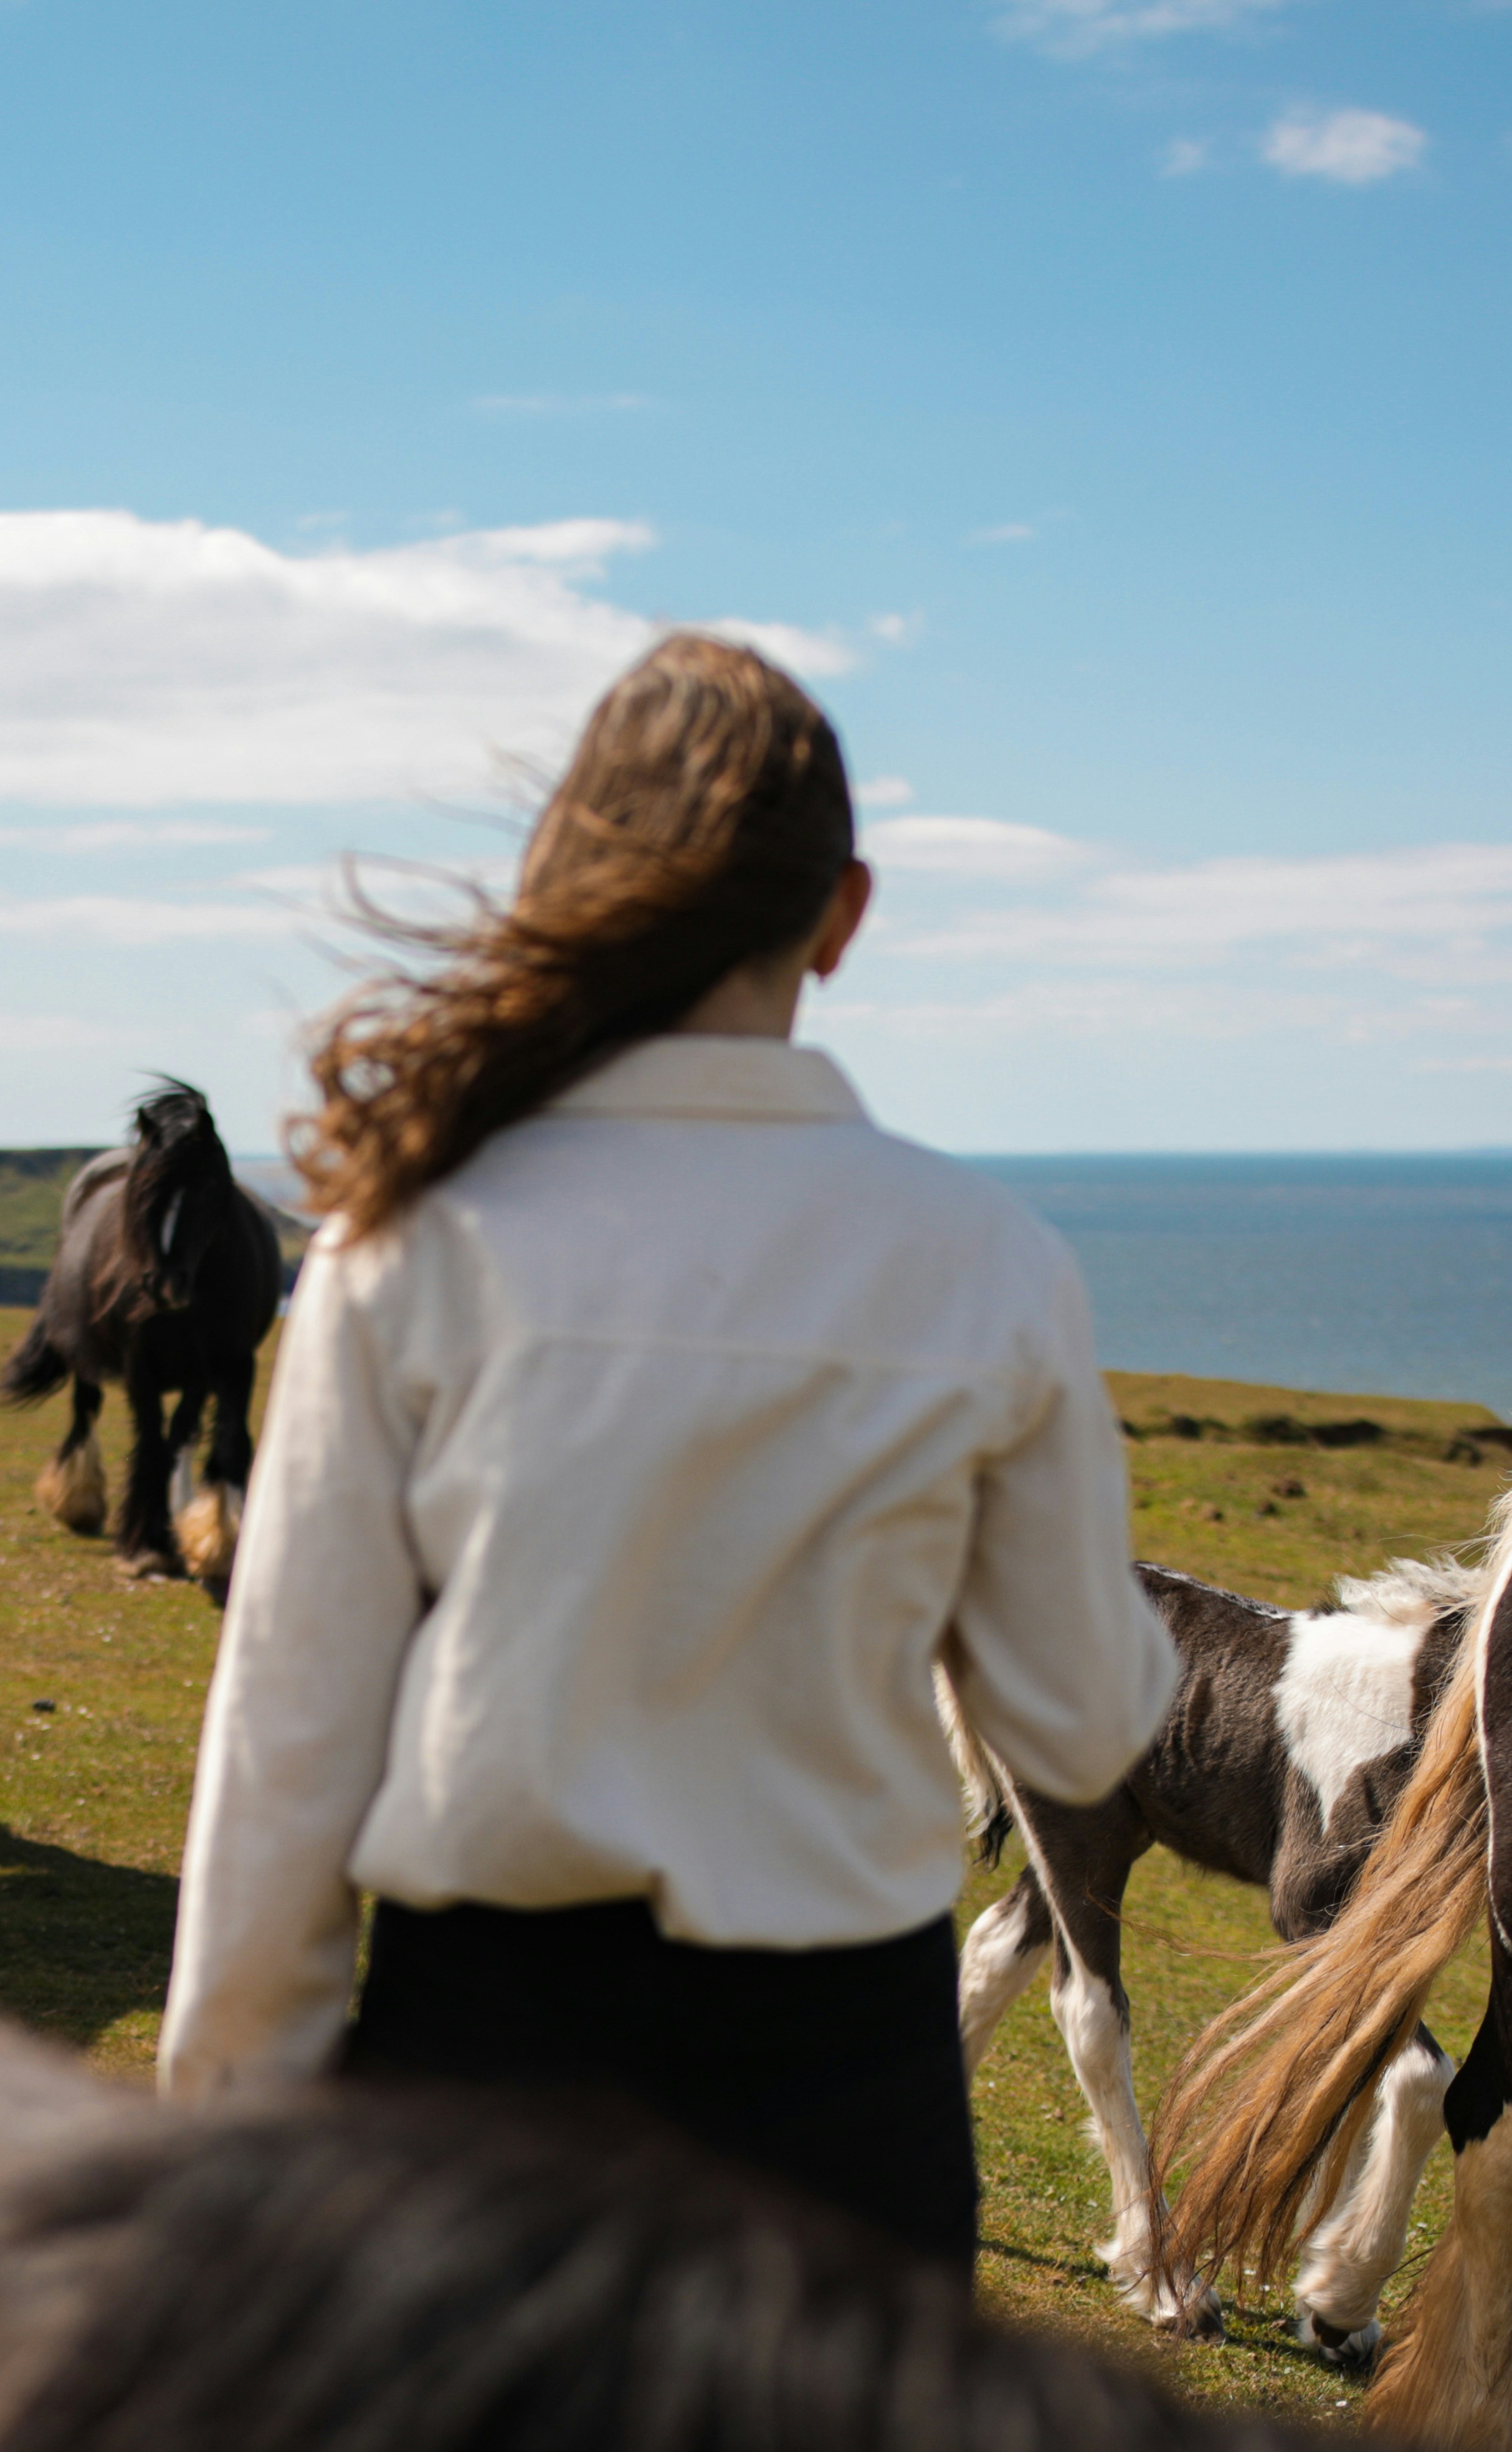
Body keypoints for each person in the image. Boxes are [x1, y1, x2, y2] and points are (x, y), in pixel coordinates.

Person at [159, 632, 1179, 2270]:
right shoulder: (989, 1265)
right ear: (842, 919)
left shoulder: (407, 1245)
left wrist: (226, 2158)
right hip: (850, 2123)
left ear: (571, 887)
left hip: (476, 2104)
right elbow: (1081, 1724)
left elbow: (287, 1754)